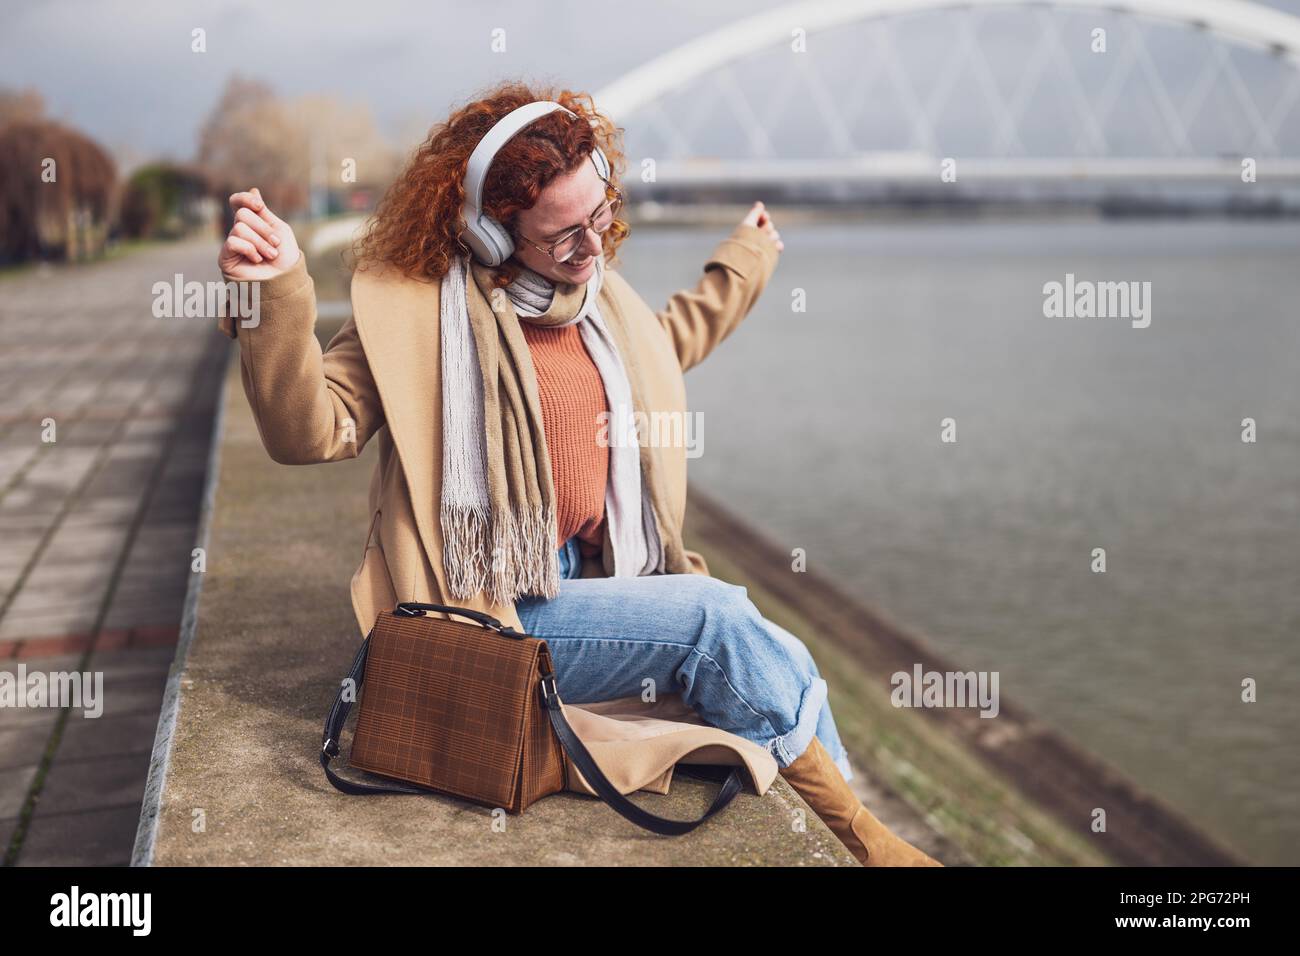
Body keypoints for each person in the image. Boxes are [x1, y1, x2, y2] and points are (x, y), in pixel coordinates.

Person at [215, 80, 939, 866]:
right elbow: (311, 429)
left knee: (786, 657)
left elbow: (664, 347)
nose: (593, 248)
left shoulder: (598, 304)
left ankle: (853, 837)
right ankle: (870, 847)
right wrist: (274, 291)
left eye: (601, 217)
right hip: (489, 616)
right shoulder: (418, 318)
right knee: (715, 619)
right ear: (490, 234)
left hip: (583, 579)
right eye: (564, 235)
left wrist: (745, 261)